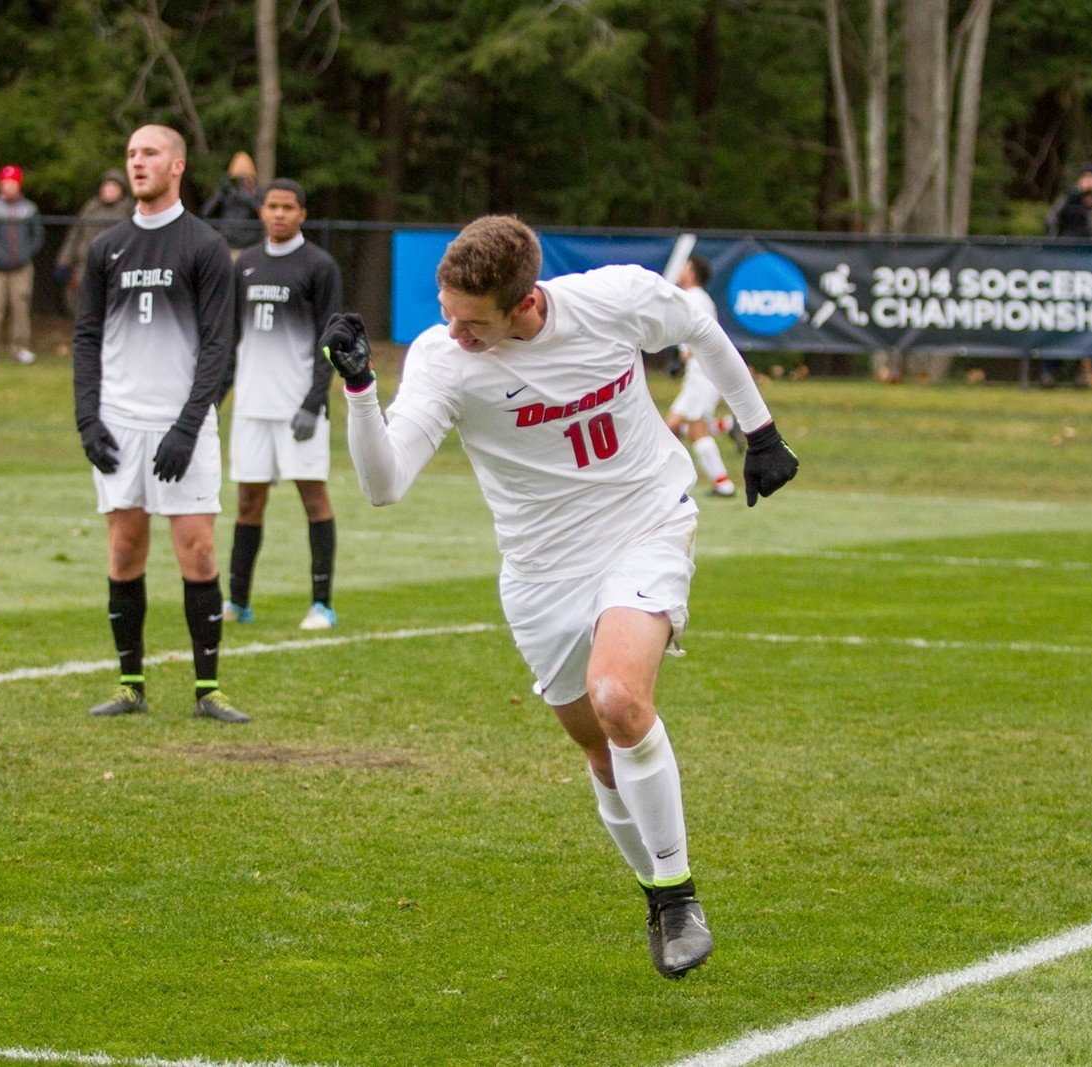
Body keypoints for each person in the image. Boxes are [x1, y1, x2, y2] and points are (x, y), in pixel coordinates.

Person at [321, 215, 800, 978]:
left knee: (619, 702)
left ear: (524, 302)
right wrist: (358, 389)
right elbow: (383, 485)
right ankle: (655, 889)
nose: (455, 332)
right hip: (542, 571)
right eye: (447, 313)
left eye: (473, 321)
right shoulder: (445, 358)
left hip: (644, 521)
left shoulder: (612, 300)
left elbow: (700, 328)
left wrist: (761, 431)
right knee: (598, 749)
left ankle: (678, 897)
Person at [72, 124, 246, 724]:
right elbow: (87, 336)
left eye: (148, 153)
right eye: (130, 154)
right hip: (119, 423)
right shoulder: (107, 247)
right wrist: (86, 419)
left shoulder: (204, 246)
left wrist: (187, 426)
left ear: (177, 165)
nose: (136, 163)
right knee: (124, 551)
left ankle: (207, 690)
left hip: (183, 425)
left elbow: (219, 348)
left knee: (197, 552)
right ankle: (129, 685)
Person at [222, 179, 344, 629]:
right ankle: (237, 603)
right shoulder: (246, 265)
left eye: (287, 207)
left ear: (302, 214)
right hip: (253, 406)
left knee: (313, 498)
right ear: (261, 212)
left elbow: (332, 341)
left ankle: (321, 605)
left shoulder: (319, 265)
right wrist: (215, 399)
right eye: (271, 206)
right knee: (248, 503)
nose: (278, 214)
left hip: (298, 407)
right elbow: (233, 340)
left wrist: (314, 402)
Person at [663, 254, 738, 498]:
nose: (680, 270)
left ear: (692, 273)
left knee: (694, 429)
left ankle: (723, 485)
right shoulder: (699, 298)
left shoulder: (694, 297)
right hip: (698, 374)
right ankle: (724, 425)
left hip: (702, 374)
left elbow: (703, 335)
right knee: (670, 428)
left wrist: (684, 355)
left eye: (684, 267)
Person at [1043, 162, 1092, 388]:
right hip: (1065, 268)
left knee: (1088, 319)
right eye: (1084, 178)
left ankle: (1085, 373)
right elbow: (1051, 225)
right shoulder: (1068, 200)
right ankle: (1050, 370)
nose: (1088, 183)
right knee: (1059, 317)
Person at [0, 165, 45, 364]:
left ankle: (20, 348)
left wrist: (26, 255)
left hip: (22, 267)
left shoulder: (29, 209)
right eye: (5, 182)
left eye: (12, 182)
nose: (8, 186)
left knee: (21, 308)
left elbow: (37, 235)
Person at [54, 169, 133, 315]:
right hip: (86, 263)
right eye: (106, 186)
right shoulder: (91, 207)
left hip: (116, 266)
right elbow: (75, 235)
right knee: (79, 304)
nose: (108, 190)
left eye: (113, 187)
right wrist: (63, 261)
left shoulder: (128, 210)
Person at [201, 151, 262, 257]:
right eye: (238, 180)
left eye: (246, 179)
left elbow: (262, 213)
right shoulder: (227, 194)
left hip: (248, 247)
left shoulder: (257, 194)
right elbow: (205, 213)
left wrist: (245, 197)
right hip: (227, 245)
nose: (243, 183)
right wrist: (220, 194)